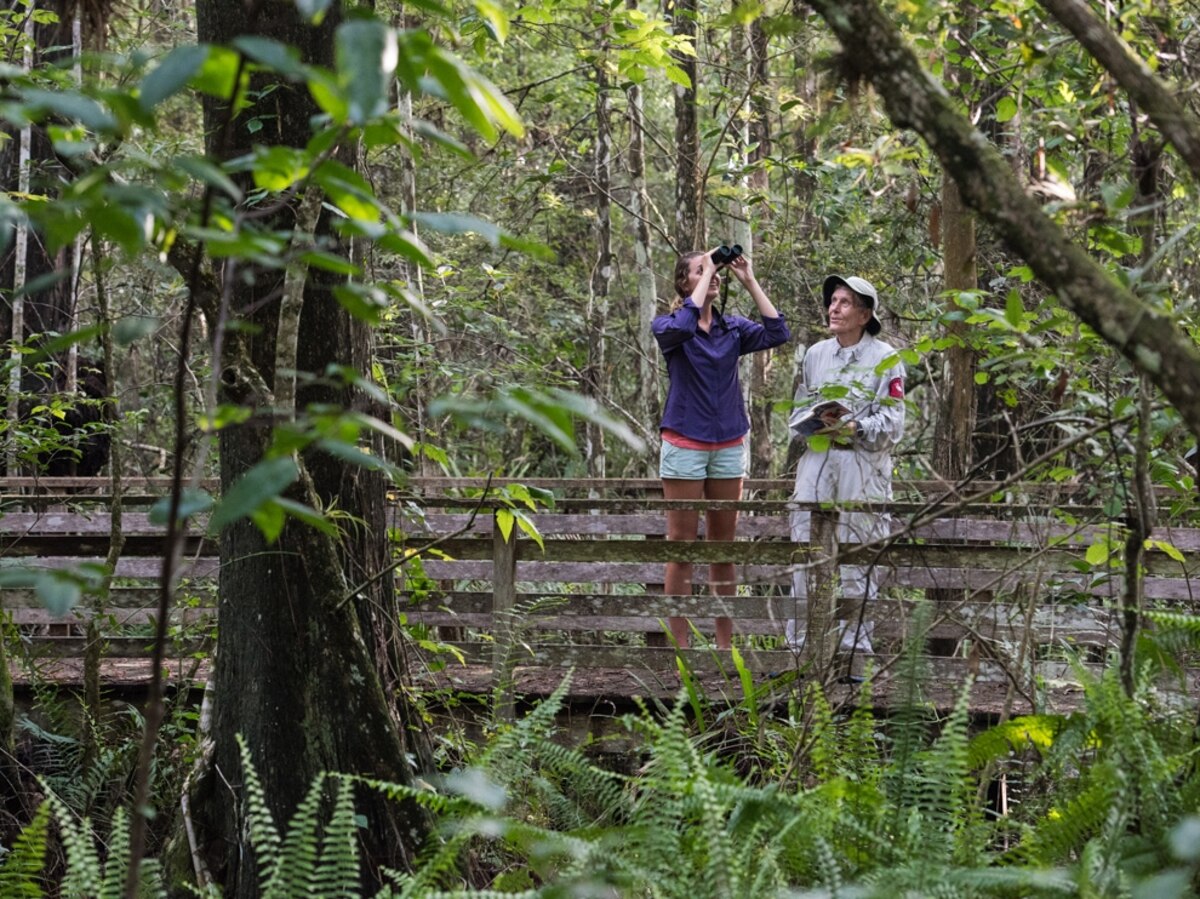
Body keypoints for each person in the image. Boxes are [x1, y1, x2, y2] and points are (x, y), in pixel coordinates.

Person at [652, 248, 790, 649]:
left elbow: (777, 332)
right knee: (681, 548)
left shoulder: (732, 329)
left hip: (729, 443)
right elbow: (682, 327)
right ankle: (680, 650)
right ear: (684, 283)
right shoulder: (669, 326)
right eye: (701, 270)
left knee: (723, 549)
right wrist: (711, 263)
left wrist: (748, 280)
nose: (712, 274)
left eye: (713, 270)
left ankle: (725, 648)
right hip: (684, 441)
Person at [786, 274, 905, 660]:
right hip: (818, 458)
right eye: (833, 301)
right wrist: (811, 421)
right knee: (806, 550)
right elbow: (799, 406)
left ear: (864, 314)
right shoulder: (815, 354)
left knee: (860, 553)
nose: (834, 309)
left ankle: (855, 650)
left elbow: (894, 422)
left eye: (845, 303)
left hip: (863, 463)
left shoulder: (886, 358)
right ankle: (800, 649)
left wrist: (856, 427)